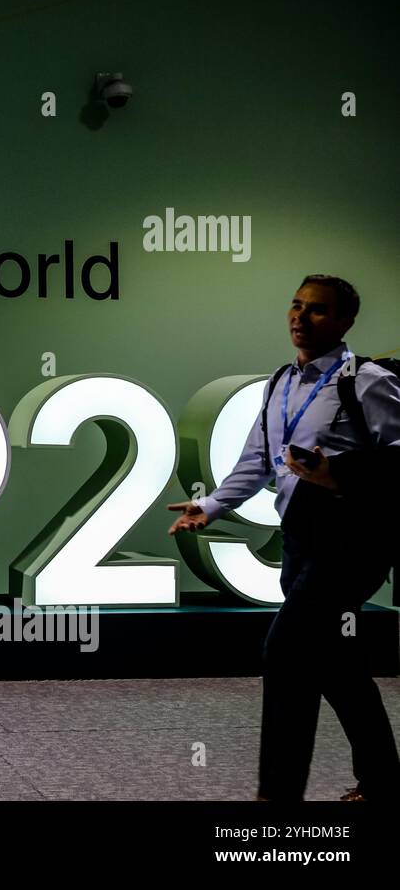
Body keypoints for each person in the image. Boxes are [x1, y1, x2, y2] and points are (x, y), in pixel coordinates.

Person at [167, 274, 400, 801]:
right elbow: (258, 460)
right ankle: (385, 783)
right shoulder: (280, 382)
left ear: (344, 322)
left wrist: (339, 477)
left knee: (287, 650)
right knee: (337, 666)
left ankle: (278, 795)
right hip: (301, 538)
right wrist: (210, 505)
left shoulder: (364, 381)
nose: (300, 317)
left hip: (354, 540)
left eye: (317, 310)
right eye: (296, 306)